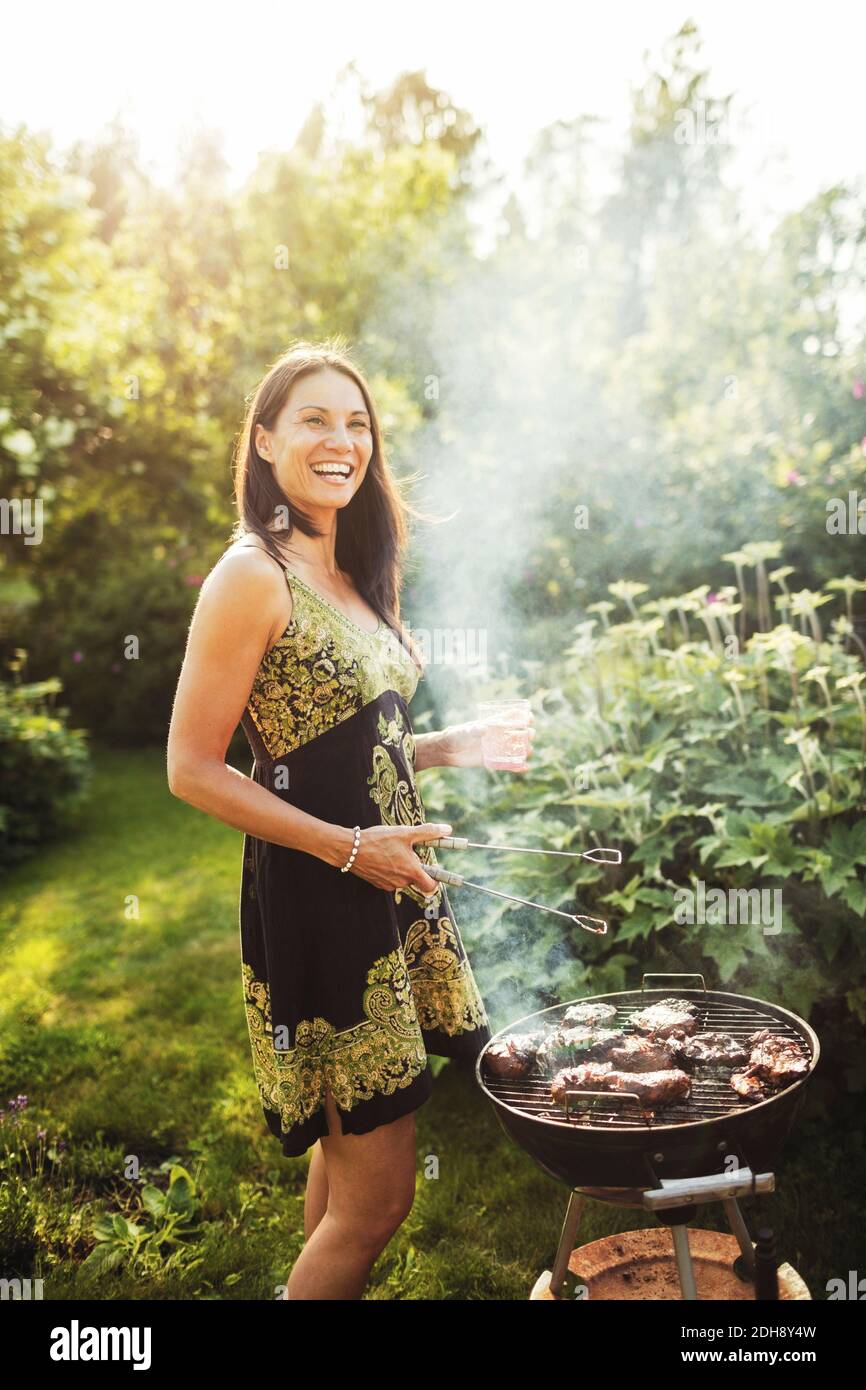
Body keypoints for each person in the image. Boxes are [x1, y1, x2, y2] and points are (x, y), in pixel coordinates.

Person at [166, 340, 535, 1299]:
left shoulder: (349, 567)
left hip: (380, 881)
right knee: (378, 1203)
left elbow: (332, 750)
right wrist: (347, 848)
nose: (343, 440)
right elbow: (191, 768)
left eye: (358, 422)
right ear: (263, 440)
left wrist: (451, 745)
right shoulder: (252, 576)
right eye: (315, 420)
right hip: (320, 897)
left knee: (344, 1166)